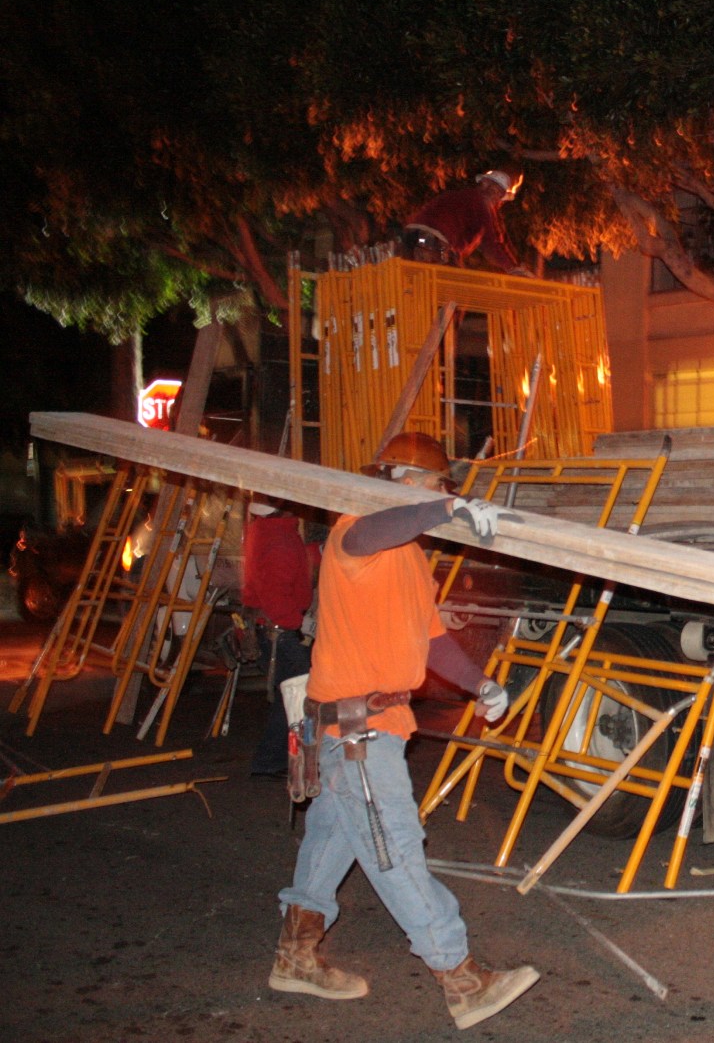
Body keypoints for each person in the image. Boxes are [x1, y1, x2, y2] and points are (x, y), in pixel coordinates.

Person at [269, 431, 538, 1031]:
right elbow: (376, 529)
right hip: (356, 729)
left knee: (332, 838)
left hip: (374, 723)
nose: (442, 494)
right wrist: (448, 509)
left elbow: (431, 639)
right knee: (394, 847)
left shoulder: (412, 557)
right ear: (406, 483)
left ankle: (296, 956)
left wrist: (479, 684)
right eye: (437, 486)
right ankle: (461, 977)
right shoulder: (354, 533)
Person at [244, 499, 317, 778]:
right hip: (281, 631)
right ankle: (271, 760)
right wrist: (298, 623)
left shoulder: (267, 532)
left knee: (289, 697)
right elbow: (277, 594)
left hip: (273, 628)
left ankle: (276, 759)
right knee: (297, 697)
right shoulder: (279, 540)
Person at [402, 164, 533, 275]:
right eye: (496, 192)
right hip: (433, 241)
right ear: (485, 185)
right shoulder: (481, 203)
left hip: (412, 237)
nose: (496, 198)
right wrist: (512, 268)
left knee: (416, 280)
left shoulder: (464, 196)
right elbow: (491, 244)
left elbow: (498, 239)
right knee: (452, 287)